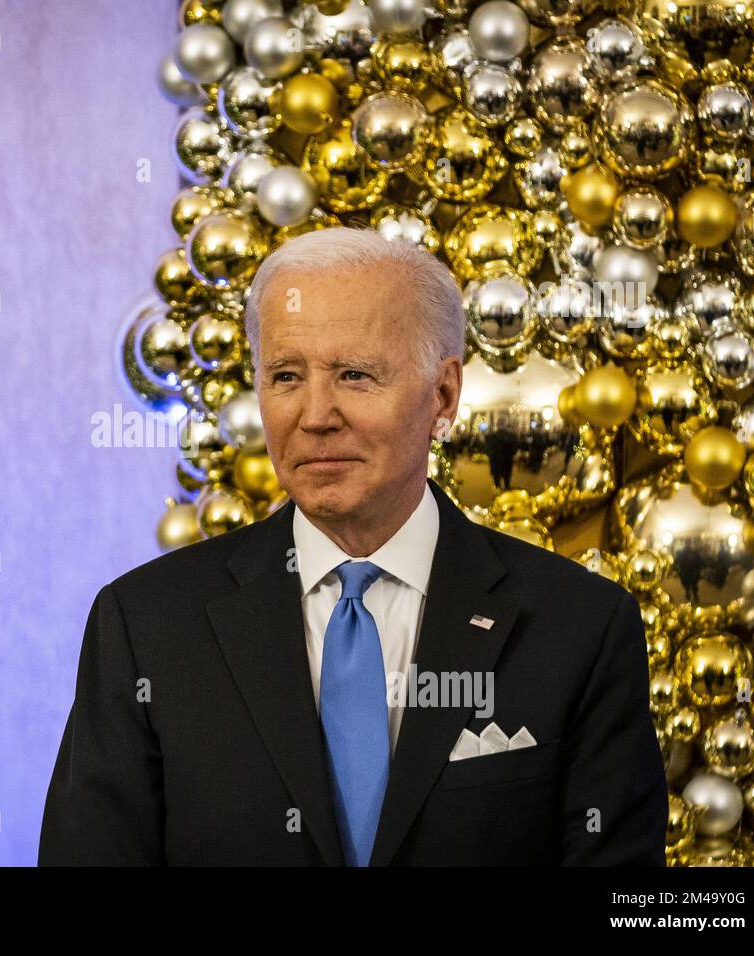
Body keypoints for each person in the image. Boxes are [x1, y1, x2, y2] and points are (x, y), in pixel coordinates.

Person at [38, 226, 667, 865]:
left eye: (355, 375)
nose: (314, 415)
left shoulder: (580, 628)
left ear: (443, 395)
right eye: (286, 375)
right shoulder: (145, 626)